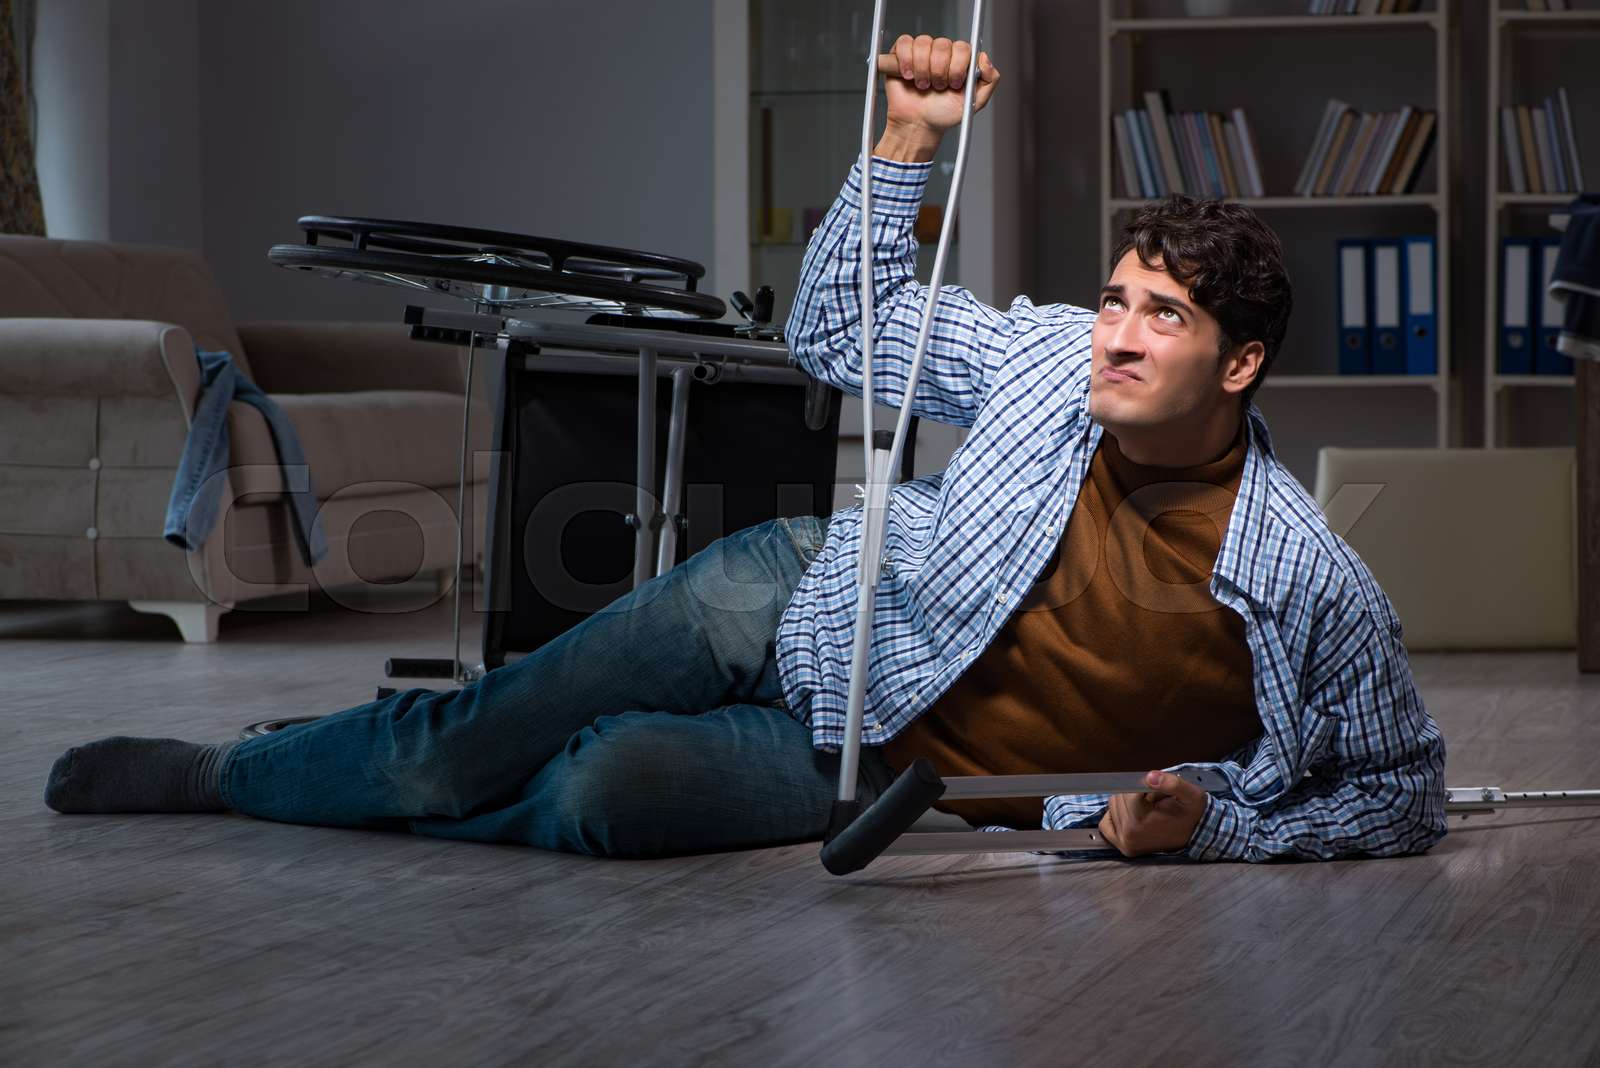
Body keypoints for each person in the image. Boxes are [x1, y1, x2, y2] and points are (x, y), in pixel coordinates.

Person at [44, 34, 1446, 863]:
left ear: (1241, 363)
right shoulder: (1043, 354)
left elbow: (1402, 794)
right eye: (1122, 299)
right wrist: (904, 144)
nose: (1119, 337)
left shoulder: (1304, 572)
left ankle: (384, 757)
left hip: (899, 774)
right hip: (807, 593)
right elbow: (841, 336)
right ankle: (246, 774)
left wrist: (1217, 829)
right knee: (458, 753)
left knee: (598, 794)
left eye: (1168, 319)